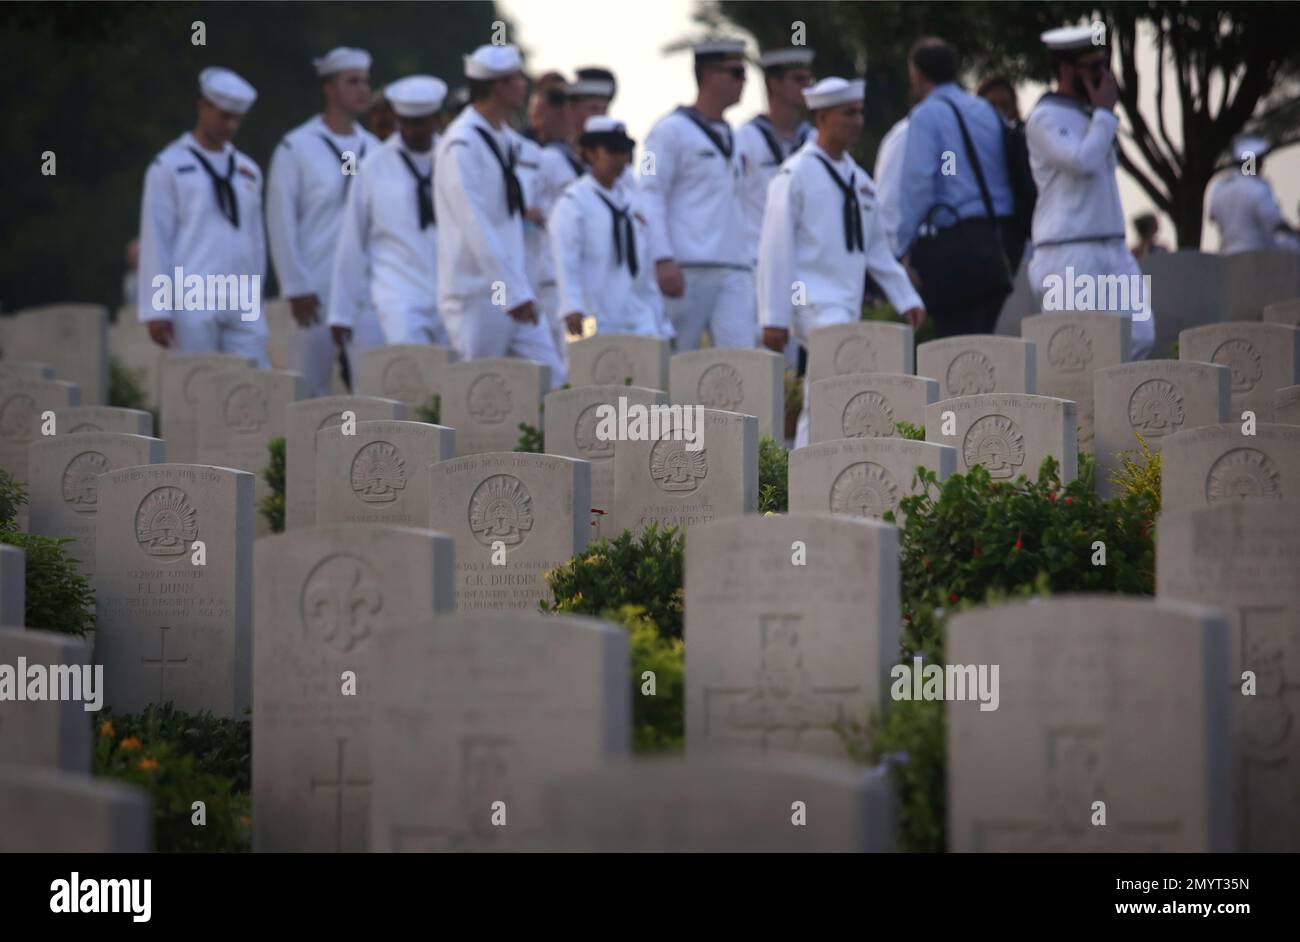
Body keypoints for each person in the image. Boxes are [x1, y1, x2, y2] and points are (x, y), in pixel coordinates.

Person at [757, 77, 925, 447]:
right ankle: (805, 473)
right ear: (821, 117)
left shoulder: (861, 181)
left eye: (860, 112)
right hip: (809, 300)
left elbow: (876, 249)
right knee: (830, 385)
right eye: (848, 113)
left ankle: (817, 469)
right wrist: (773, 316)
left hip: (845, 304)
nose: (858, 121)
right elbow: (775, 246)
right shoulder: (794, 174)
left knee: (833, 388)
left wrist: (906, 297)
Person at [434, 44, 564, 385]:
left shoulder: (505, 139)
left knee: (552, 378)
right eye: (516, 79)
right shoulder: (461, 144)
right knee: (478, 391)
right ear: (497, 88)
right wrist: (510, 290)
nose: (525, 85)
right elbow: (473, 222)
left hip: (514, 288)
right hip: (478, 293)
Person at [1026, 25, 1154, 358]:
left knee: (1140, 336)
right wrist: (1103, 115)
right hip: (1069, 252)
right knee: (1079, 357)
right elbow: (1080, 161)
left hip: (1112, 245)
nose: (1105, 78)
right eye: (1094, 68)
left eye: (1104, 65)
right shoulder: (1045, 117)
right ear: (1068, 70)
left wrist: (1101, 115)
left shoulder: (1096, 115)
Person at [267, 47, 379, 396]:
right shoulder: (296, 147)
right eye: (352, 81)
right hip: (314, 286)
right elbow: (280, 220)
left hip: (364, 288)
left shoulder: (376, 149)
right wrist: (296, 286)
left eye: (365, 81)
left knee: (371, 386)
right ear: (329, 88)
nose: (363, 89)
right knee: (308, 388)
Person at [137, 67, 268, 364]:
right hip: (193, 291)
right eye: (224, 116)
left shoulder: (248, 170)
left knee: (255, 385)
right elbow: (157, 238)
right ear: (202, 106)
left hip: (242, 294)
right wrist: (157, 308)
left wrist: (256, 295)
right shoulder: (168, 166)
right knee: (196, 386)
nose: (231, 125)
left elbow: (257, 240)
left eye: (238, 119)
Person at [897, 38, 1018, 336]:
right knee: (983, 345)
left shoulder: (927, 114)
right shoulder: (986, 111)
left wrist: (900, 247)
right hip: (996, 244)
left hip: (955, 250)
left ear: (918, 75)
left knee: (954, 349)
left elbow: (918, 186)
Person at [640, 39, 754, 351]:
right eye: (736, 73)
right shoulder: (668, 131)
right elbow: (649, 194)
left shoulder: (737, 136)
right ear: (709, 75)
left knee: (743, 364)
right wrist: (662, 258)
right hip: (687, 266)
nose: (743, 81)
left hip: (734, 267)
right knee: (675, 362)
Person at [329, 76, 448, 350]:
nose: (412, 131)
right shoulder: (373, 166)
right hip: (397, 292)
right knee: (411, 373)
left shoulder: (454, 158)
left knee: (452, 383)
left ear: (436, 120)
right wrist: (340, 312)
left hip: (449, 290)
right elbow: (351, 241)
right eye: (405, 122)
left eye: (420, 123)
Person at [549, 117, 670, 340]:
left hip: (637, 316)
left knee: (649, 372)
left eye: (624, 151)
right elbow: (566, 259)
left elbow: (645, 271)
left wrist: (661, 320)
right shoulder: (573, 202)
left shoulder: (634, 204)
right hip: (592, 317)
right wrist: (571, 305)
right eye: (612, 151)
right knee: (586, 372)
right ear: (591, 153)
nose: (620, 159)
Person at [736, 47, 815, 266]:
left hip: (805, 260)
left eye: (809, 80)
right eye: (799, 80)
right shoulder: (743, 140)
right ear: (774, 83)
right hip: (756, 258)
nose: (808, 88)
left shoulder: (814, 140)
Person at [1208, 136, 1295, 254]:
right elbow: (1275, 222)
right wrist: (1295, 232)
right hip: (1256, 253)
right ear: (1255, 162)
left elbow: (1212, 216)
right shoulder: (1257, 188)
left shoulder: (1221, 187)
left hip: (1227, 253)